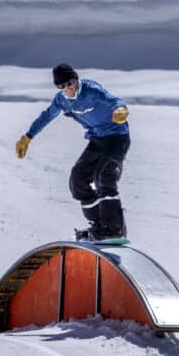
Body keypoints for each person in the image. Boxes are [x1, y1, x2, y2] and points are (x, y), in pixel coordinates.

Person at [16, 63, 131, 241]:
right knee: (77, 179)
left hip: (117, 137)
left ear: (75, 80)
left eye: (69, 83)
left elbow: (113, 100)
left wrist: (120, 110)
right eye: (61, 86)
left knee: (105, 176)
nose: (67, 88)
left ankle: (114, 228)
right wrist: (28, 136)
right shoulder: (61, 100)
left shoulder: (91, 90)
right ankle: (99, 225)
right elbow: (47, 116)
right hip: (97, 139)